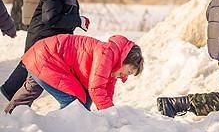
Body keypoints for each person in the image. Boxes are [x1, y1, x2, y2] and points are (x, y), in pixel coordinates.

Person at [1, 0, 90, 101]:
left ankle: (16, 105)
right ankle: (6, 99)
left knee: (33, 76)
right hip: (39, 39)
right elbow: (50, 18)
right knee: (28, 70)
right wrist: (77, 20)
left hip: (47, 43)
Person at [4, 34, 143, 113]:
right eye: (129, 71)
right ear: (125, 60)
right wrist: (110, 115)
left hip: (43, 54)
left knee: (85, 99)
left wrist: (109, 111)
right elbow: (96, 88)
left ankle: (9, 118)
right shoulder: (106, 54)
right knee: (75, 105)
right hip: (47, 59)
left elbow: (106, 90)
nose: (125, 76)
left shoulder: (114, 63)